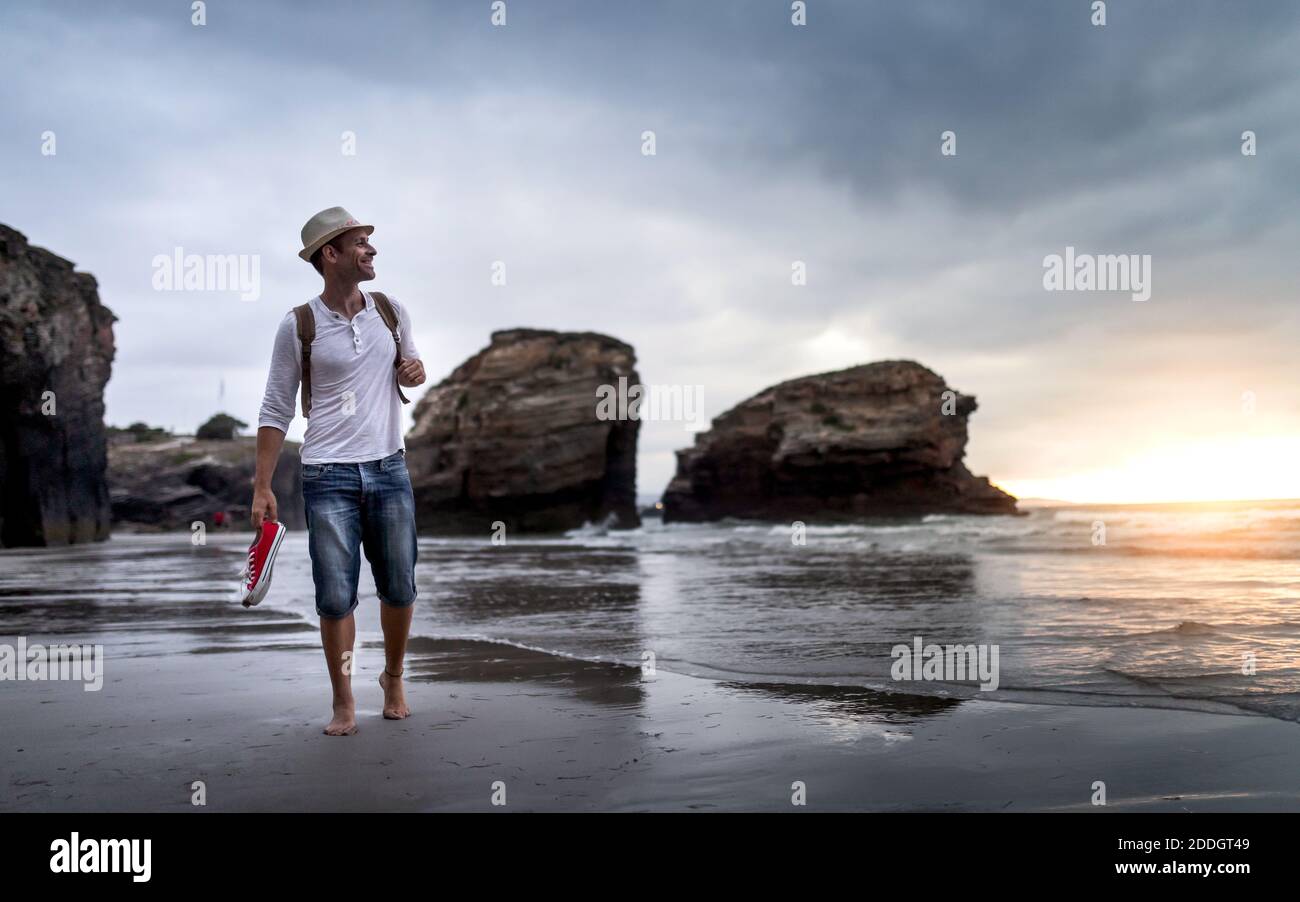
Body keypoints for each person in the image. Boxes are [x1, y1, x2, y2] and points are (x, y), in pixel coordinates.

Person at [251, 206, 426, 736]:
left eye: (370, 242)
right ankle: (344, 700)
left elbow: (410, 369)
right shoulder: (299, 325)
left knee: (399, 585)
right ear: (331, 254)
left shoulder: (391, 310)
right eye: (360, 243)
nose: (371, 250)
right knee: (334, 593)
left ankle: (392, 679)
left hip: (389, 468)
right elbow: (276, 407)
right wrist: (261, 485)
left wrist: (414, 371)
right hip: (326, 475)